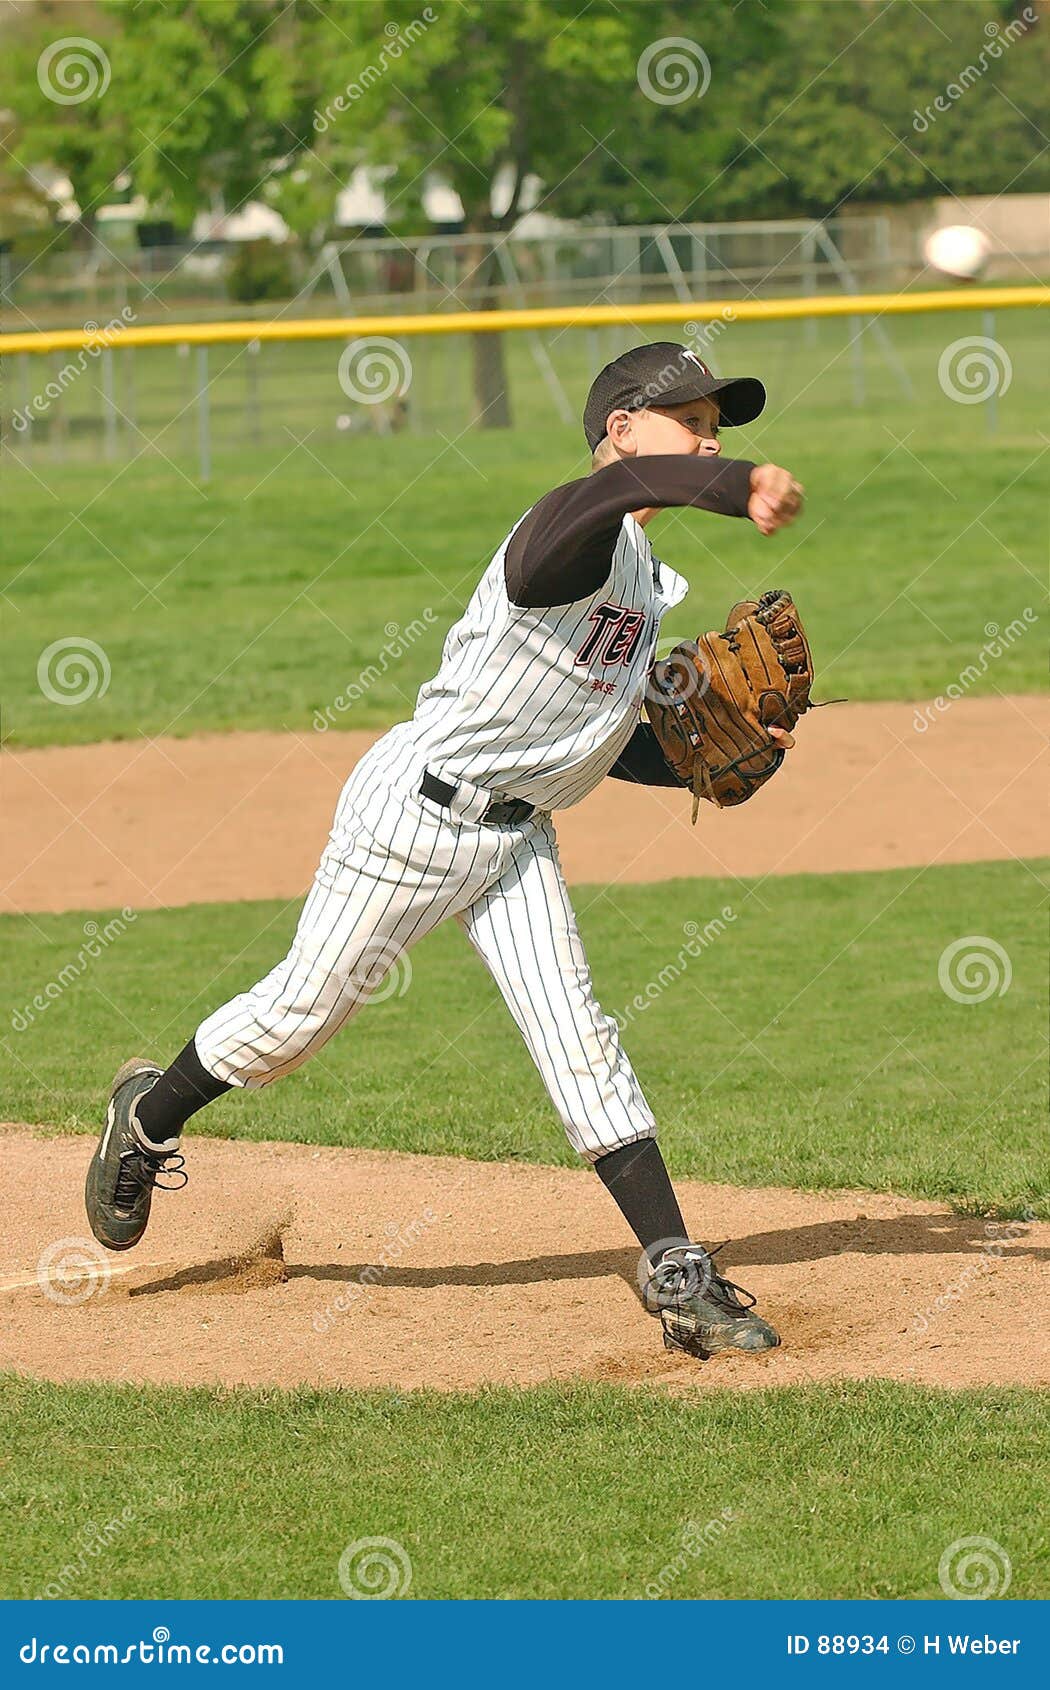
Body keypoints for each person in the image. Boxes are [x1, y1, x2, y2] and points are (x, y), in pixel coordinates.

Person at [85, 341, 804, 1361]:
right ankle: (147, 1118)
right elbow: (632, 489)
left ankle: (679, 1277)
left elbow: (588, 742)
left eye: (717, 420)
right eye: (690, 417)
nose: (712, 432)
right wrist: (736, 487)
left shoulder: (642, 581)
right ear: (622, 431)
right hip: (412, 819)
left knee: (581, 1040)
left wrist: (699, 764)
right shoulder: (566, 528)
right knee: (295, 1020)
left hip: (518, 837)